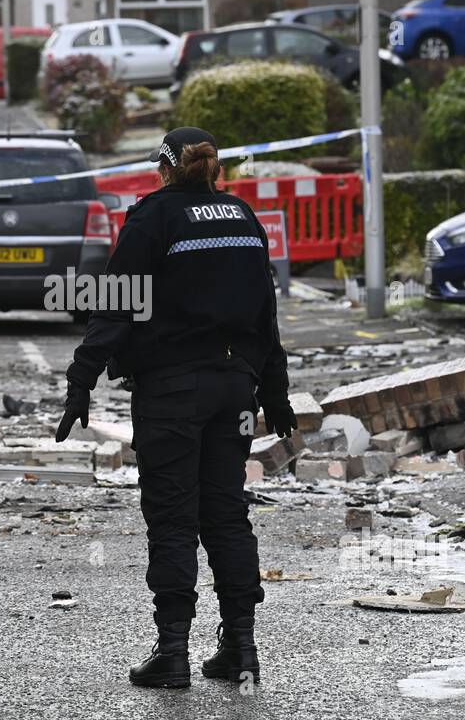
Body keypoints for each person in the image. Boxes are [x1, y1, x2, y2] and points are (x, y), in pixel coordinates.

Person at [57, 127, 296, 688]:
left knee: (172, 518)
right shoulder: (243, 218)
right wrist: (275, 393)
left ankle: (172, 654)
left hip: (171, 392)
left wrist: (81, 379)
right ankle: (240, 646)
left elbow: (114, 308)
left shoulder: (152, 219)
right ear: (215, 171)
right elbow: (266, 316)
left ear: (163, 170)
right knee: (226, 513)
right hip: (235, 387)